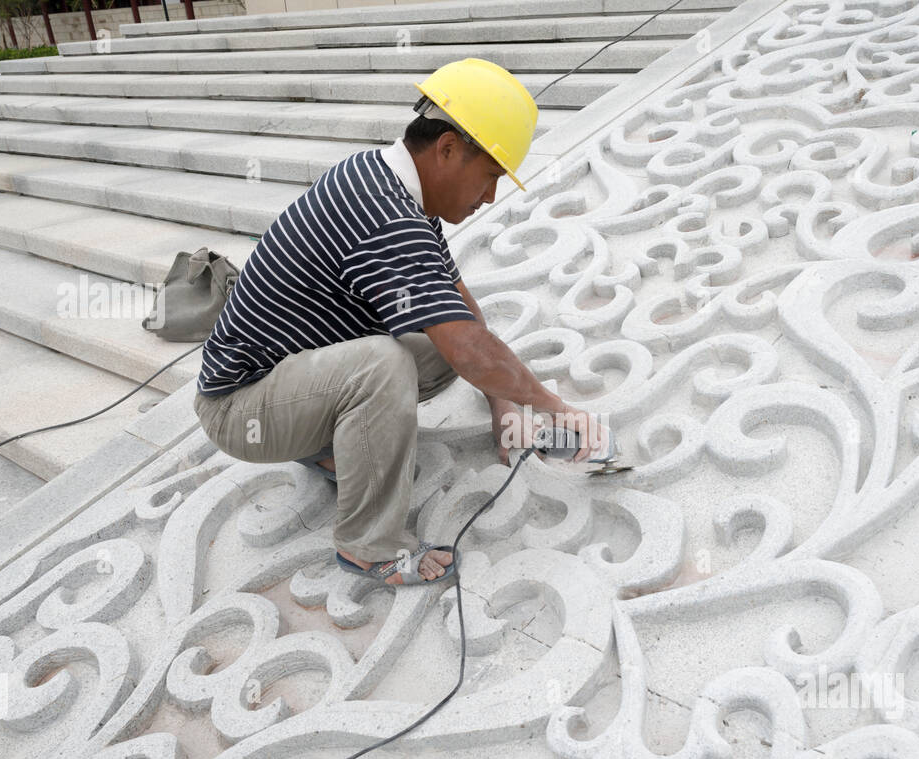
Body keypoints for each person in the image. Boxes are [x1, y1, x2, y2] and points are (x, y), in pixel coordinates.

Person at [193, 58, 608, 587]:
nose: (489, 198)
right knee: (385, 364)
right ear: (449, 149)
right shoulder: (384, 212)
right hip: (239, 405)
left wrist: (503, 403)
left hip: (288, 381)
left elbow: (457, 307)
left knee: (435, 348)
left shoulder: (390, 185)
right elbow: (468, 347)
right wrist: (557, 409)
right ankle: (369, 549)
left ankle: (325, 447)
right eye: (489, 177)